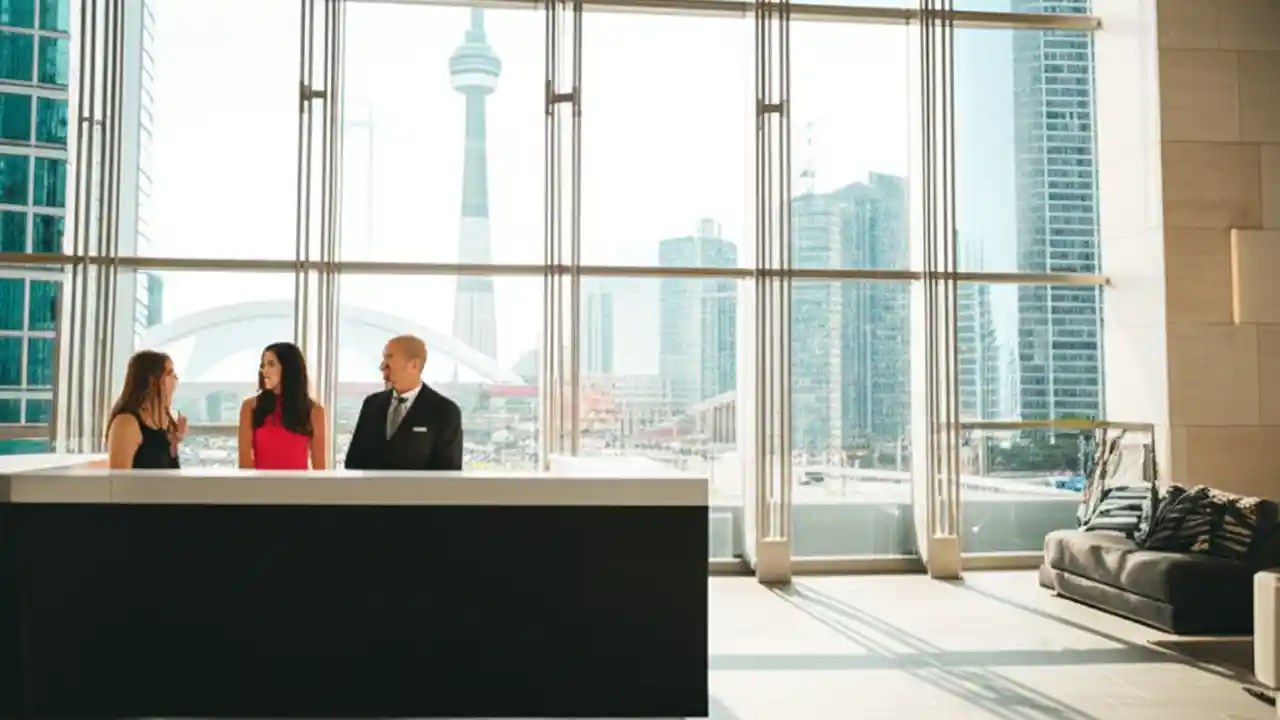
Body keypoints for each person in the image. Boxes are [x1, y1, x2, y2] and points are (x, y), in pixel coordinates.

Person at [345, 334, 463, 471]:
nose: (382, 365)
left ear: (414, 364)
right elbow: (353, 462)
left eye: (389, 357)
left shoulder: (444, 411)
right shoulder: (372, 404)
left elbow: (448, 473)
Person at [238, 341, 328, 470]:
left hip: (298, 483)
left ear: (288, 368)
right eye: (263, 365)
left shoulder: (314, 411)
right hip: (260, 482)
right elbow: (244, 462)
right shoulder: (250, 407)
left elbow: (320, 469)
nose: (264, 371)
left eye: (271, 364)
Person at [106, 350, 186, 469]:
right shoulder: (126, 423)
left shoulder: (164, 423)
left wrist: (174, 441)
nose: (176, 378)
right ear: (151, 380)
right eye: (169, 373)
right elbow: (119, 477)